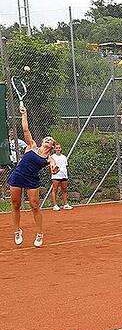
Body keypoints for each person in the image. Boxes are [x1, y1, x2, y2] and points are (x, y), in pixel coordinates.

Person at [7, 104, 57, 247]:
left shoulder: (49, 158)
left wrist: (53, 169)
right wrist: (24, 114)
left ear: (52, 146)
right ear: (42, 142)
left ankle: (40, 234)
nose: (47, 140)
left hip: (31, 180)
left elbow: (53, 164)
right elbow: (25, 129)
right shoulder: (31, 145)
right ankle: (17, 231)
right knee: (15, 204)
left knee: (35, 206)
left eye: (50, 140)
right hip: (18, 175)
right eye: (46, 138)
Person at [50, 142, 72, 211]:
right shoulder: (52, 157)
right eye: (57, 148)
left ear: (61, 149)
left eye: (59, 148)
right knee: (55, 190)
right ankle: (55, 205)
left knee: (64, 190)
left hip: (64, 175)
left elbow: (65, 166)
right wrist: (53, 171)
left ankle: (65, 204)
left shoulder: (64, 157)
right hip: (56, 176)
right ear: (54, 149)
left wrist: (64, 173)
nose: (58, 149)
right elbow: (50, 167)